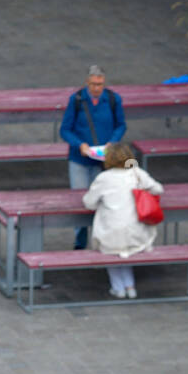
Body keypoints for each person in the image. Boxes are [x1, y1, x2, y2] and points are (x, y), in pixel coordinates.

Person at [82, 143, 163, 300]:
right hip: (136, 234)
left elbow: (88, 203)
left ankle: (118, 288)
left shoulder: (103, 178)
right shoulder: (136, 173)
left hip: (110, 234)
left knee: (112, 249)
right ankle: (130, 286)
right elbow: (158, 189)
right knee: (125, 250)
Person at [61, 66, 127, 249]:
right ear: (87, 83)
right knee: (81, 199)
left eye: (100, 84)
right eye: (93, 84)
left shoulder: (113, 100)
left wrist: (112, 142)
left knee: (103, 199)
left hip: (102, 161)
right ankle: (80, 240)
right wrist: (79, 144)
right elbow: (65, 129)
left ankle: (101, 237)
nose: (97, 88)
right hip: (80, 159)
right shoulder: (76, 100)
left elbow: (121, 125)